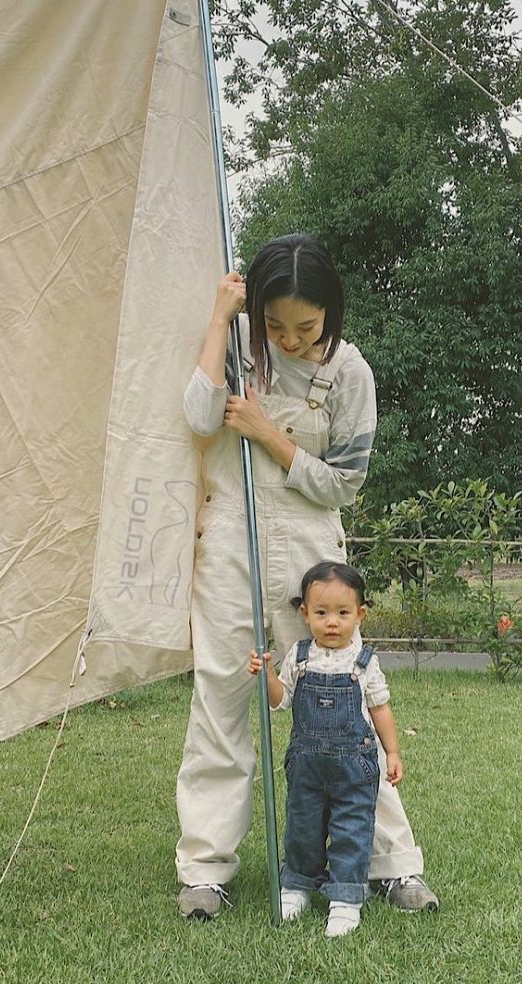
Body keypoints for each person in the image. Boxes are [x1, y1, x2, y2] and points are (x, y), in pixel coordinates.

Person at [176, 233, 438, 919]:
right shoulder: (236, 347)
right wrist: (219, 318)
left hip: (310, 549)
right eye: (273, 325)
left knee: (343, 705)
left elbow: (344, 485)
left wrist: (267, 432)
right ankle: (204, 870)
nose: (288, 341)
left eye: (306, 327)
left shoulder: (351, 374)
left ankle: (391, 864)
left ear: (332, 315)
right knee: (222, 700)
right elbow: (201, 415)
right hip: (231, 534)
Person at [248, 561, 400, 937]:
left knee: (352, 827)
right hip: (306, 765)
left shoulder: (365, 662)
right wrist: (267, 675)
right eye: (321, 613)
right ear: (305, 614)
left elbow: (380, 707)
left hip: (354, 767)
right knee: (303, 825)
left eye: (343, 613)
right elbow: (279, 701)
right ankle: (297, 885)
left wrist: (392, 752)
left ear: (360, 615)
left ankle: (346, 898)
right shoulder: (299, 658)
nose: (332, 622)